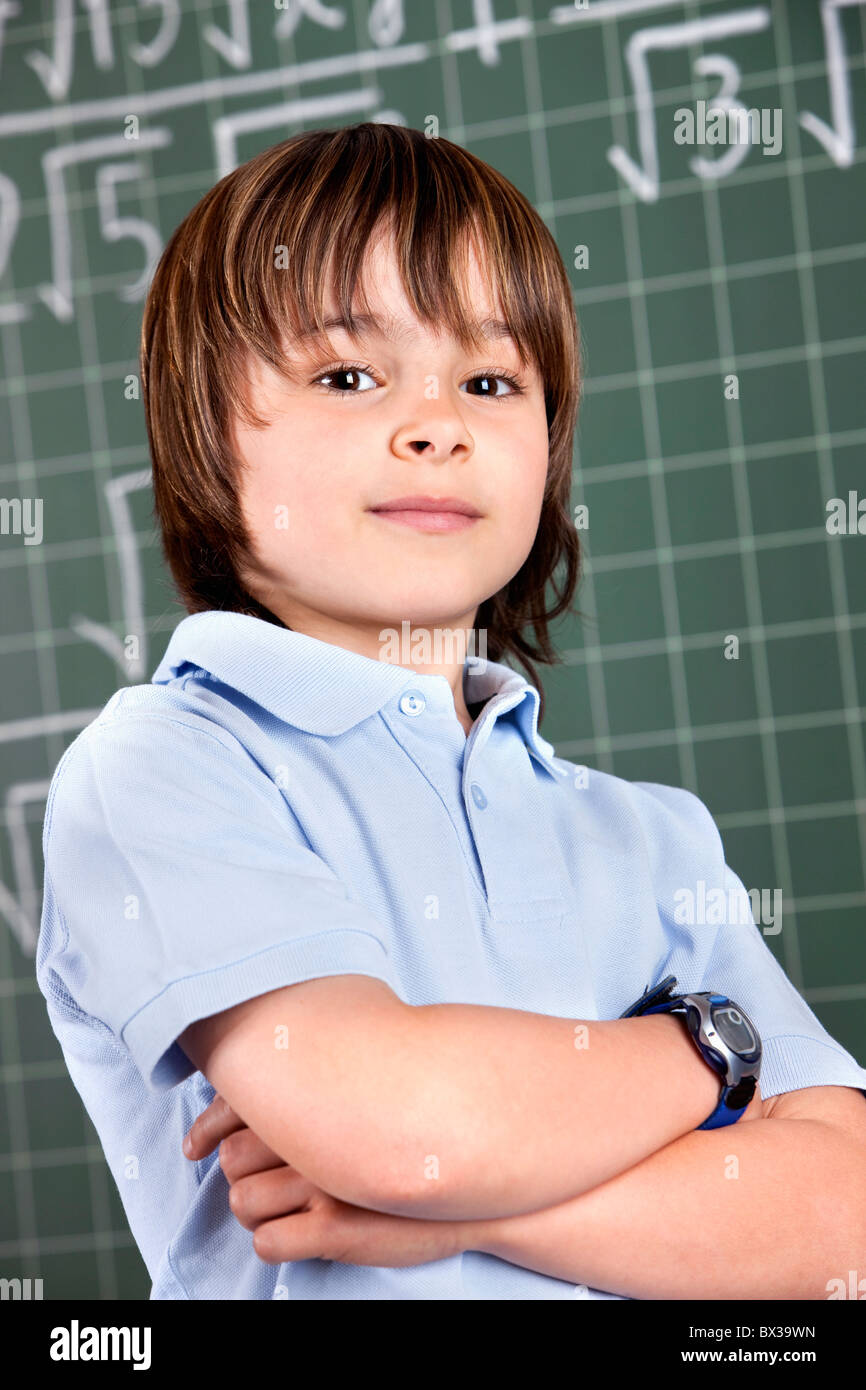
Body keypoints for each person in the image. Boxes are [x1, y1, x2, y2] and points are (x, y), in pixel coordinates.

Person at [37, 123, 866, 1301]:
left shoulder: (651, 836)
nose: (438, 424)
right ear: (203, 435)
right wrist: (705, 1049)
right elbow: (395, 1122)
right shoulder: (165, 767)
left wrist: (447, 1215)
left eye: (489, 380)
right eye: (346, 376)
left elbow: (840, 1224)